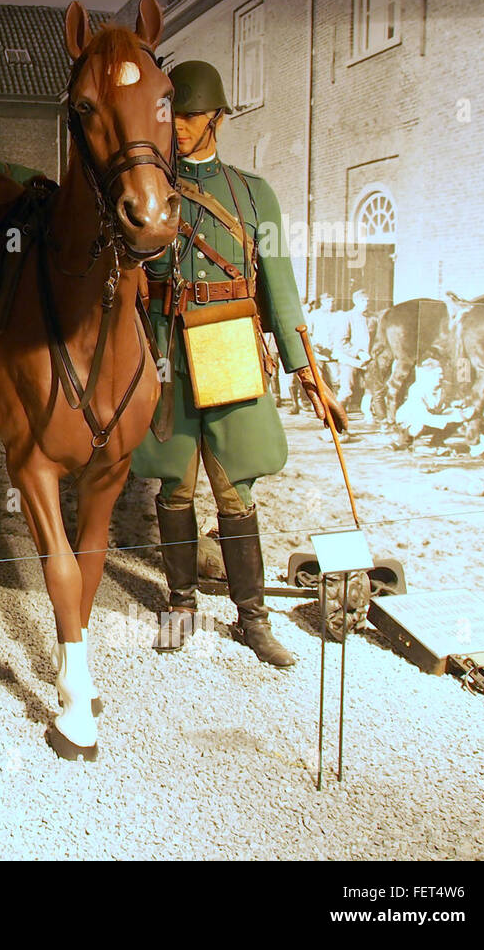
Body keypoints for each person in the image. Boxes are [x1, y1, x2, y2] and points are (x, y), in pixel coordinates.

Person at [133, 60, 347, 666]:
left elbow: (279, 286)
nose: (178, 126)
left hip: (230, 347)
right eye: (171, 115)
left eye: (191, 116)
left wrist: (309, 375)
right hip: (167, 351)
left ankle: (252, 618)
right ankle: (180, 606)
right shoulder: (149, 189)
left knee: (236, 489)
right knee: (174, 484)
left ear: (218, 119)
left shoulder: (254, 194)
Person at [393, 358, 473, 452]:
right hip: (410, 419)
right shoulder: (417, 389)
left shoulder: (443, 388)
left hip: (431, 416)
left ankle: (436, 442)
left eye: (441, 374)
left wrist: (456, 407)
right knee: (418, 426)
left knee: (459, 415)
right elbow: (422, 416)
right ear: (427, 375)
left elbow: (444, 406)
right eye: (436, 374)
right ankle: (404, 441)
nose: (440, 377)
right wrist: (448, 419)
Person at [332, 289, 374, 422]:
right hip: (350, 360)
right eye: (363, 300)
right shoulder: (347, 317)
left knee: (370, 388)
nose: (366, 303)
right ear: (355, 301)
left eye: (367, 300)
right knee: (346, 390)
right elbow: (341, 341)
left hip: (368, 360)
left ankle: (367, 413)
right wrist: (358, 352)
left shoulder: (372, 318)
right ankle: (336, 419)